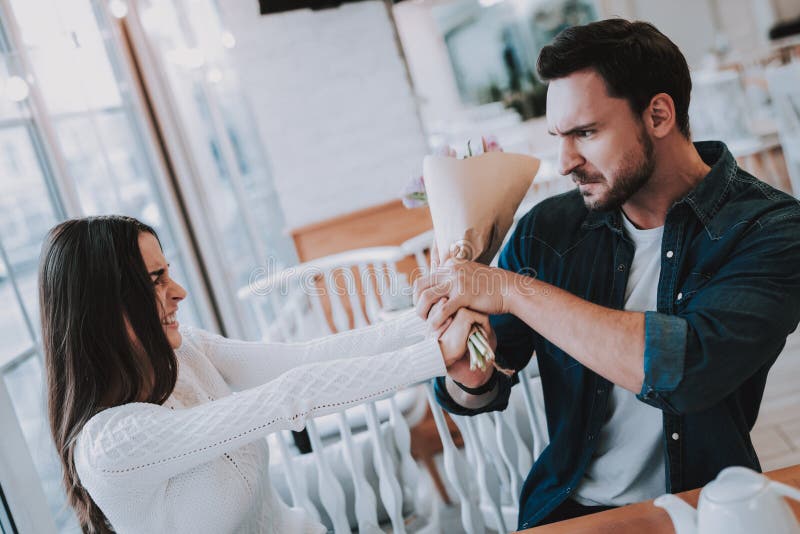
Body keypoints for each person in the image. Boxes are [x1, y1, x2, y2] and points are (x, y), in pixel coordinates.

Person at [414, 18, 800, 530]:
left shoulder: (769, 229)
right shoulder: (548, 230)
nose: (564, 161)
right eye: (559, 136)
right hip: (569, 510)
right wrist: (470, 376)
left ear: (658, 115)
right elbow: (485, 381)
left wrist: (513, 291)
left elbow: (687, 370)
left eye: (586, 133)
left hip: (706, 508)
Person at [40, 215, 487, 534]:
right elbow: (292, 395)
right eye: (155, 280)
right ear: (106, 309)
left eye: (167, 273)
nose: (179, 292)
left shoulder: (184, 350)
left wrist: (426, 322)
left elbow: (303, 360)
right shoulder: (111, 445)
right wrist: (436, 356)